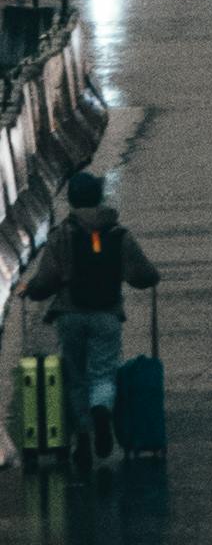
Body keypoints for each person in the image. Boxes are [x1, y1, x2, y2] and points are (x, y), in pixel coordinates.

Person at [23, 166, 157, 473]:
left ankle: (82, 434)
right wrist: (152, 278)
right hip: (107, 315)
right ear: (99, 198)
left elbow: (46, 281)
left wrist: (31, 291)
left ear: (70, 200)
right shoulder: (118, 234)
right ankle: (101, 411)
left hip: (70, 315)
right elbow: (142, 275)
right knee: (103, 373)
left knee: (76, 377)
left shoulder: (62, 236)